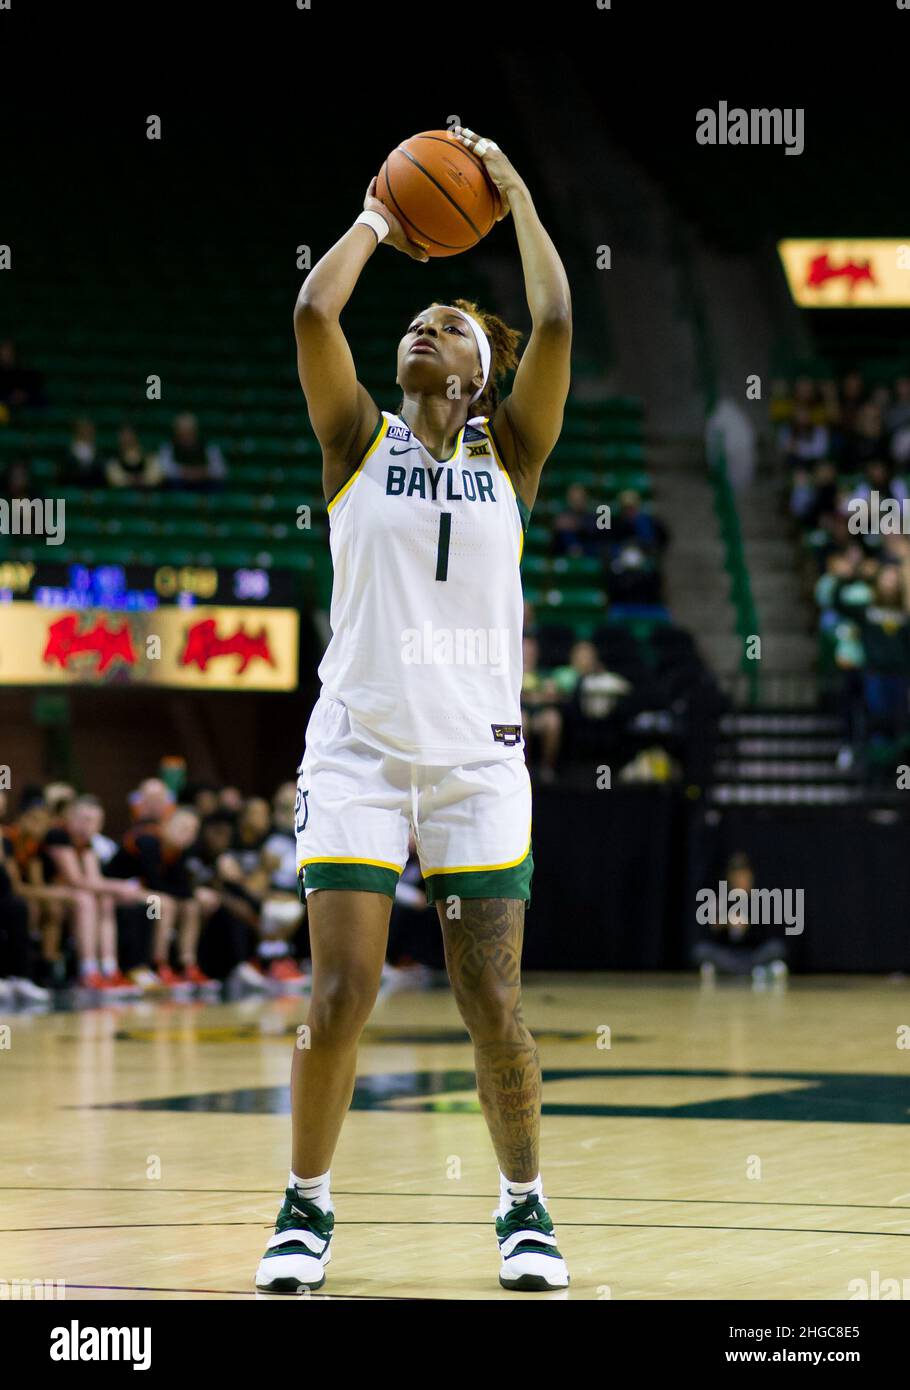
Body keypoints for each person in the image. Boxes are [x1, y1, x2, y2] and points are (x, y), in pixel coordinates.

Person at [255, 125, 572, 1295]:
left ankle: (523, 1207)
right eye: (416, 318)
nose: (420, 326)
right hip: (359, 748)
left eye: (443, 323)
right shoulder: (355, 441)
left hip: (477, 764)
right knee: (340, 988)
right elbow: (313, 316)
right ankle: (305, 1205)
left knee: (492, 997)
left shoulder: (513, 457)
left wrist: (519, 192)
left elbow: (554, 322)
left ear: (476, 373)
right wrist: (384, 215)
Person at [693, 853, 789, 985]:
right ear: (730, 878)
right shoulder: (720, 901)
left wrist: (749, 926)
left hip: (753, 954)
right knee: (702, 950)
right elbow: (708, 936)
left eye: (744, 876)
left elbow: (769, 937)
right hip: (729, 954)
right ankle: (755, 972)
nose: (741, 881)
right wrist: (724, 924)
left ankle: (729, 972)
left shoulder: (761, 901)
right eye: (737, 877)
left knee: (776, 948)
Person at [157, 412, 227, 491]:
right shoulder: (169, 447)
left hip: (204, 483)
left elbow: (220, 470)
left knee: (217, 485)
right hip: (179, 484)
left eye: (189, 432)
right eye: (182, 433)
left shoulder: (208, 446)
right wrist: (185, 472)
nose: (186, 436)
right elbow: (164, 469)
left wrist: (201, 472)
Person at [105, 425, 162, 490]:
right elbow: (114, 479)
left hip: (146, 493)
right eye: (123, 436)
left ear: (135, 437)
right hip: (122, 495)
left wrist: (143, 479)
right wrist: (129, 480)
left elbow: (156, 476)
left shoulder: (147, 456)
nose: (127, 439)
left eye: (129, 435)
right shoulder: (114, 459)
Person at [60, 418, 106, 488]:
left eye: (89, 429)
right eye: (83, 429)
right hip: (72, 489)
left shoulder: (99, 453)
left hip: (94, 489)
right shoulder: (68, 452)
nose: (86, 432)